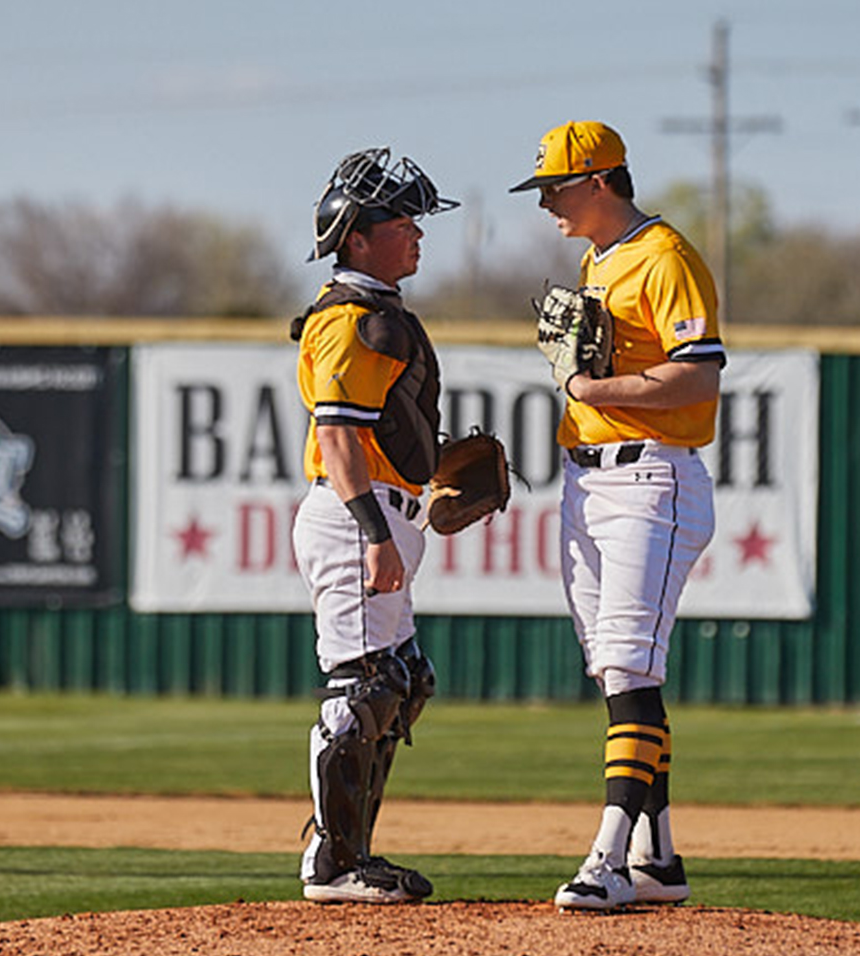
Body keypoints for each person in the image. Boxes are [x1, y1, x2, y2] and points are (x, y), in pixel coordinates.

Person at [510, 121, 725, 911]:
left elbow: (699, 379)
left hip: (650, 479)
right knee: (615, 669)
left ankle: (605, 859)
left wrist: (590, 391)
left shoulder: (666, 257)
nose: (545, 205)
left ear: (600, 181)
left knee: (630, 666)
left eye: (554, 189)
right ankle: (657, 859)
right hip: (588, 482)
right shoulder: (597, 260)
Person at [287, 147, 457, 903]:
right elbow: (336, 437)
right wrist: (377, 532)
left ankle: (355, 851)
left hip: (383, 512)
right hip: (355, 517)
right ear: (357, 238)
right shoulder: (351, 320)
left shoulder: (380, 315)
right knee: (363, 685)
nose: (416, 231)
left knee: (401, 682)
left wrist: (427, 494)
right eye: (400, 220)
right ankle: (334, 863)